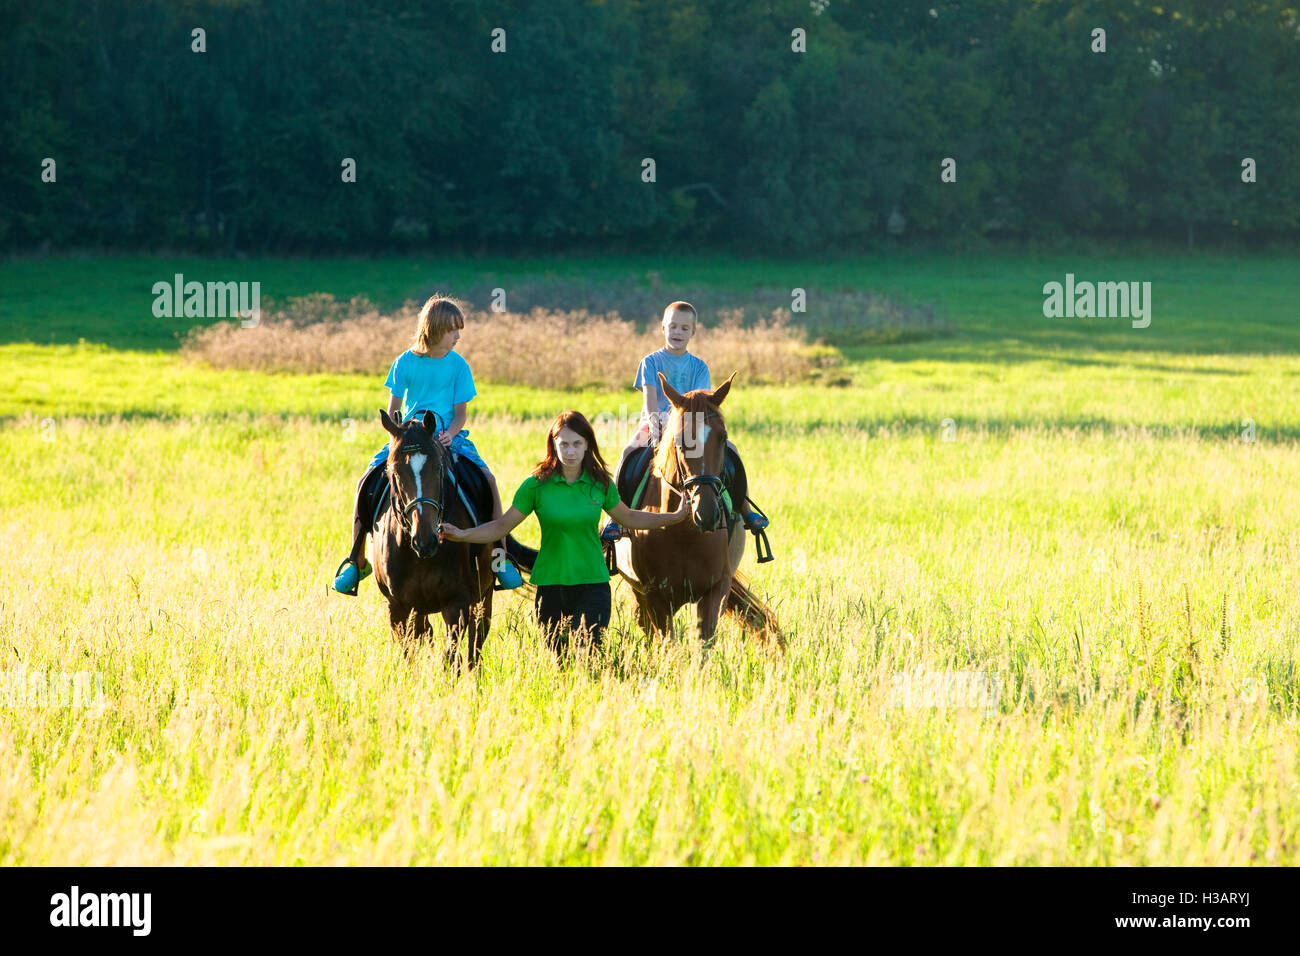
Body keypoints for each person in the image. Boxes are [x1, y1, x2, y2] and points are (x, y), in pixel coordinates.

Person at [440, 410, 688, 651]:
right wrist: (462, 535)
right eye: (564, 444)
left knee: (588, 655)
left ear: (587, 445)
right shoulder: (535, 486)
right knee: (561, 662)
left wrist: (675, 517)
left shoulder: (600, 484)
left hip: (593, 585)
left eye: (577, 444)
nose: (570, 451)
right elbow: (501, 526)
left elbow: (630, 517)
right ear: (554, 445)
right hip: (550, 587)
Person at [332, 296, 524, 595]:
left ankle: (500, 557)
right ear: (434, 329)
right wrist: (398, 437)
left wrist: (449, 433)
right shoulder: (404, 362)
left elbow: (460, 414)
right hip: (408, 438)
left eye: (459, 330)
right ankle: (356, 560)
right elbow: (394, 411)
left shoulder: (458, 366)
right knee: (365, 481)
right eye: (453, 330)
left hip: (448, 437)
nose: (458, 336)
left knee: (487, 478)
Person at [600, 300, 768, 541]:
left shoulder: (699, 366)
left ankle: (746, 511)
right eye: (672, 327)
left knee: (731, 450)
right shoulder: (650, 362)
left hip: (691, 428)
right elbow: (650, 401)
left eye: (683, 328)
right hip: (655, 424)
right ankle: (614, 519)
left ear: (693, 332)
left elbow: (701, 405)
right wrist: (659, 424)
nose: (677, 332)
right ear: (662, 328)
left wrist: (686, 428)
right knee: (628, 452)